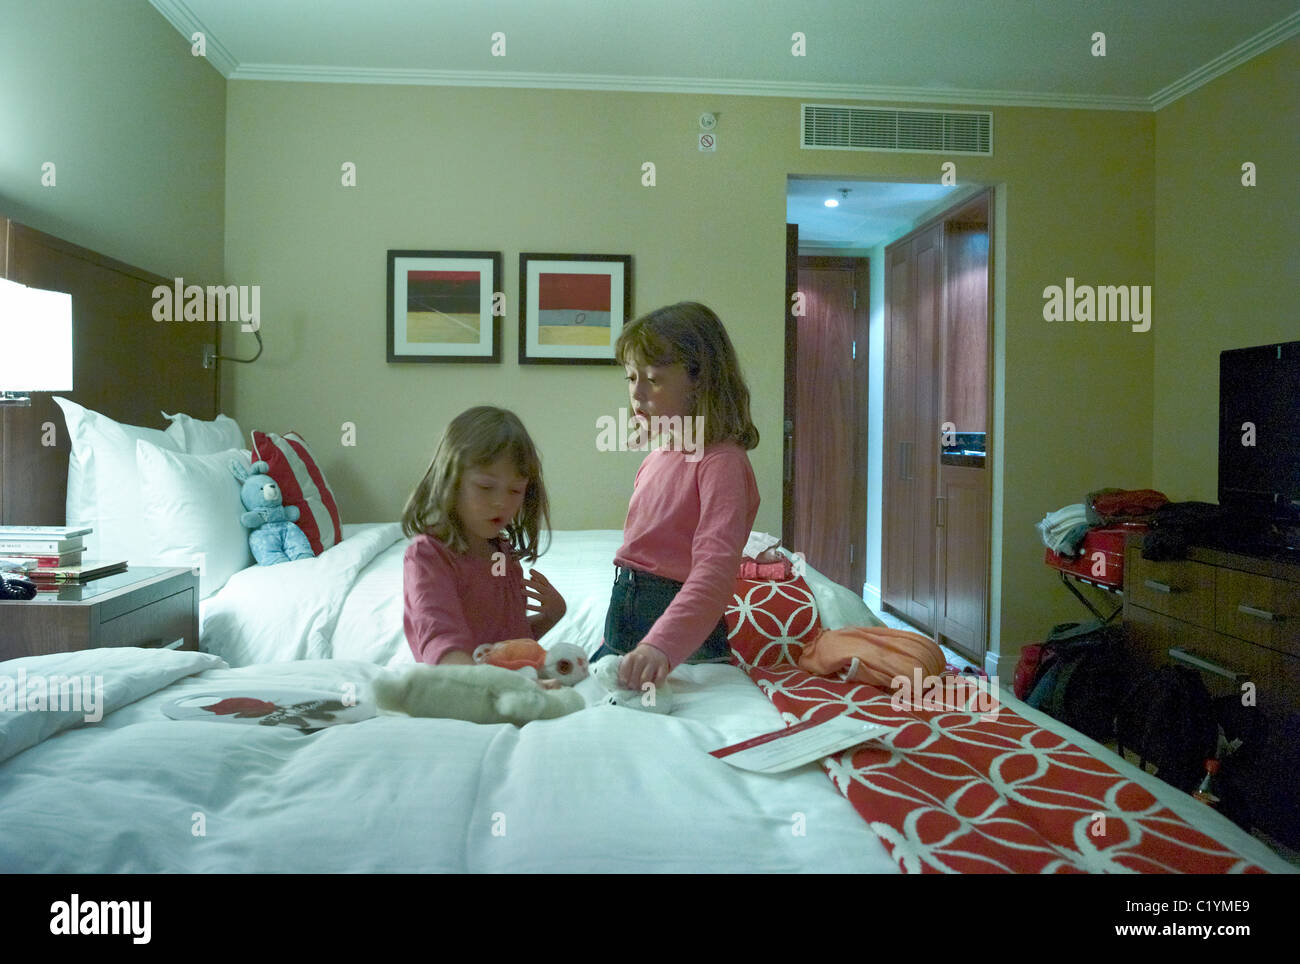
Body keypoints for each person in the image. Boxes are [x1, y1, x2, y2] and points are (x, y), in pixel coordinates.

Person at [593, 301, 760, 691]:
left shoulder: (721, 464)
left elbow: (713, 576)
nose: (637, 393)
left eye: (653, 379)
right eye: (630, 377)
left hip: (686, 648)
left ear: (699, 380)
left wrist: (661, 647)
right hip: (626, 626)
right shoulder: (658, 456)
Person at [401, 406, 566, 673]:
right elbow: (442, 646)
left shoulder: (502, 553)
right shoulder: (429, 555)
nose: (501, 502)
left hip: (505, 692)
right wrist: (495, 689)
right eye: (485, 487)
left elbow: (504, 647)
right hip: (461, 693)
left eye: (515, 490)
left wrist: (549, 618)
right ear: (450, 481)